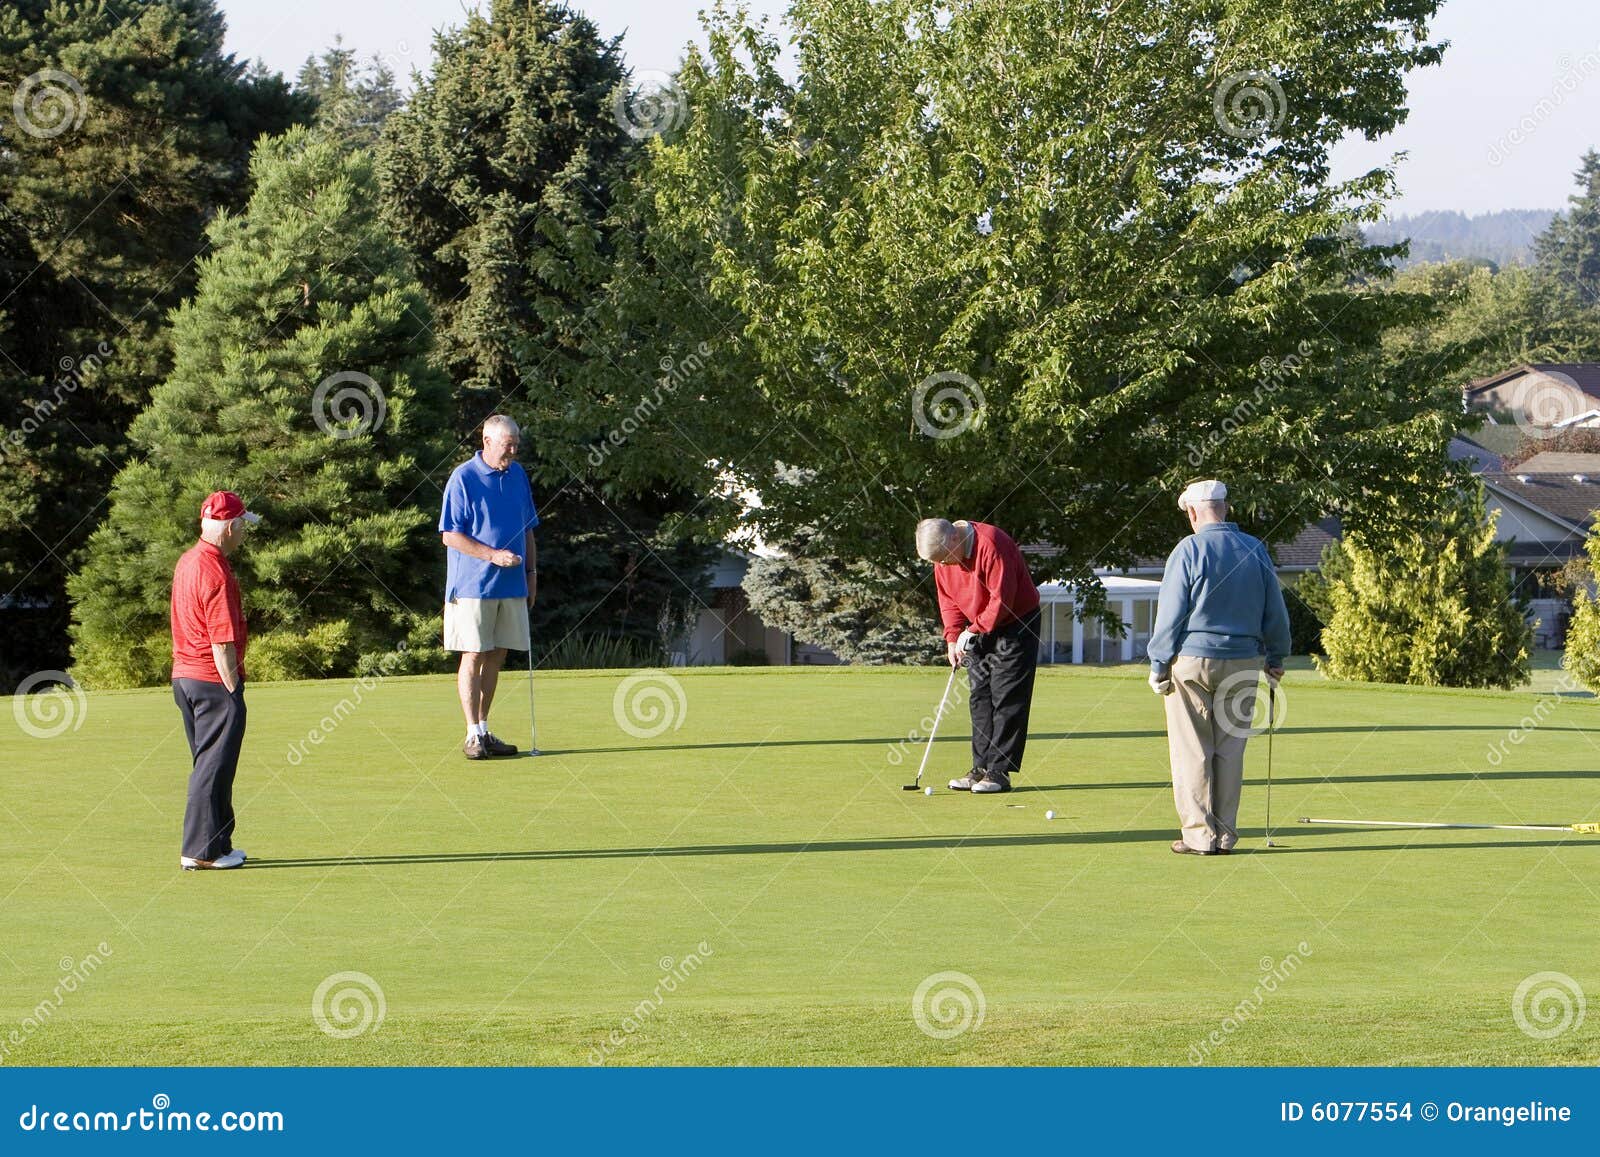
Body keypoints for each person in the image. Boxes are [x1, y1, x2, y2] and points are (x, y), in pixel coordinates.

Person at [1148, 480, 1292, 856]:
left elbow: (1170, 614)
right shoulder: (1255, 548)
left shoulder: (1188, 549)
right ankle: (1225, 835)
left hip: (1192, 660)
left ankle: (1199, 837)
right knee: (1230, 750)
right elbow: (1275, 612)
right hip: (1243, 660)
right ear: (1225, 508)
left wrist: (1158, 663)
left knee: (1192, 750)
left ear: (1194, 513)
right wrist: (1277, 657)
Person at [915, 518, 1042, 794]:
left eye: (943, 558)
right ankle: (981, 767)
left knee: (1006, 695)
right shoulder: (943, 555)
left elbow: (1002, 600)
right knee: (980, 695)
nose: (942, 565)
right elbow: (948, 599)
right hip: (977, 625)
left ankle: (1000, 771)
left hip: (1016, 622)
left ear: (954, 539)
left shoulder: (992, 545)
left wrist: (972, 630)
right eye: (937, 562)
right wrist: (953, 637)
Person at [440, 415, 539, 760]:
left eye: (516, 445)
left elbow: (528, 528)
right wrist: (493, 556)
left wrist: (531, 573)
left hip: (511, 585)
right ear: (487, 441)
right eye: (507, 445)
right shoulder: (463, 478)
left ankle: (483, 729)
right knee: (474, 653)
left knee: (498, 654)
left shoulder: (518, 474)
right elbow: (450, 535)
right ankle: (471, 734)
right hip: (473, 586)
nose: (513, 451)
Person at [171, 490, 259, 870]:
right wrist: (232, 690)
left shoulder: (189, 560)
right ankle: (200, 851)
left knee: (213, 765)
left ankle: (219, 844)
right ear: (231, 527)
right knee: (212, 768)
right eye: (242, 526)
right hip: (212, 680)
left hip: (185, 678)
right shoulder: (216, 571)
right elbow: (221, 641)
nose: (244, 533)